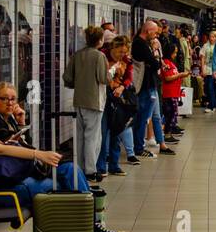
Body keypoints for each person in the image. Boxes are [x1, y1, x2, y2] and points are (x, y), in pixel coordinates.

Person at [0, 89, 126, 232]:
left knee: (71, 171)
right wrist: (39, 154)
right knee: (64, 186)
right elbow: (1, 150)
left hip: (6, 183)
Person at [63, 26, 110, 182]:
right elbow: (104, 79)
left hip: (79, 100)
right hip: (94, 101)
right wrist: (113, 73)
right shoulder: (99, 56)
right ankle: (91, 170)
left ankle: (80, 168)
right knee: (93, 136)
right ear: (100, 40)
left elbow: (68, 78)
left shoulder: (77, 55)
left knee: (80, 136)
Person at [131, 19, 178, 158]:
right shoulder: (140, 44)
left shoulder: (146, 44)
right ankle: (138, 147)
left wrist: (155, 58)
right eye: (155, 32)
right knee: (142, 118)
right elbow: (154, 63)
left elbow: (154, 62)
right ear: (148, 30)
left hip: (151, 84)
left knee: (156, 116)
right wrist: (156, 59)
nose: (156, 35)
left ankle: (162, 144)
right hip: (146, 86)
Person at [100, 37, 138, 174]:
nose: (121, 55)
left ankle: (114, 165)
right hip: (103, 96)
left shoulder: (126, 61)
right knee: (103, 133)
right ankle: (101, 166)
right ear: (113, 48)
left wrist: (122, 87)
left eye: (124, 52)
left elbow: (128, 78)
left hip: (118, 97)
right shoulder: (102, 56)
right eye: (119, 52)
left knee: (117, 130)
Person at [161, 50, 184, 138]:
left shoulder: (171, 63)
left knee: (173, 112)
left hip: (174, 91)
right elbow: (167, 78)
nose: (175, 54)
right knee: (170, 113)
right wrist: (180, 75)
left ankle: (171, 130)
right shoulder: (166, 63)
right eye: (174, 52)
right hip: (169, 92)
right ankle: (168, 133)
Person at [201, 30, 216, 111]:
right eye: (211, 36)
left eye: (214, 37)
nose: (212, 38)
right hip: (207, 68)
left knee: (211, 87)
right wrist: (202, 69)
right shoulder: (205, 46)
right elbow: (202, 58)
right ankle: (214, 105)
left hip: (215, 69)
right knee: (207, 88)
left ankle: (211, 106)